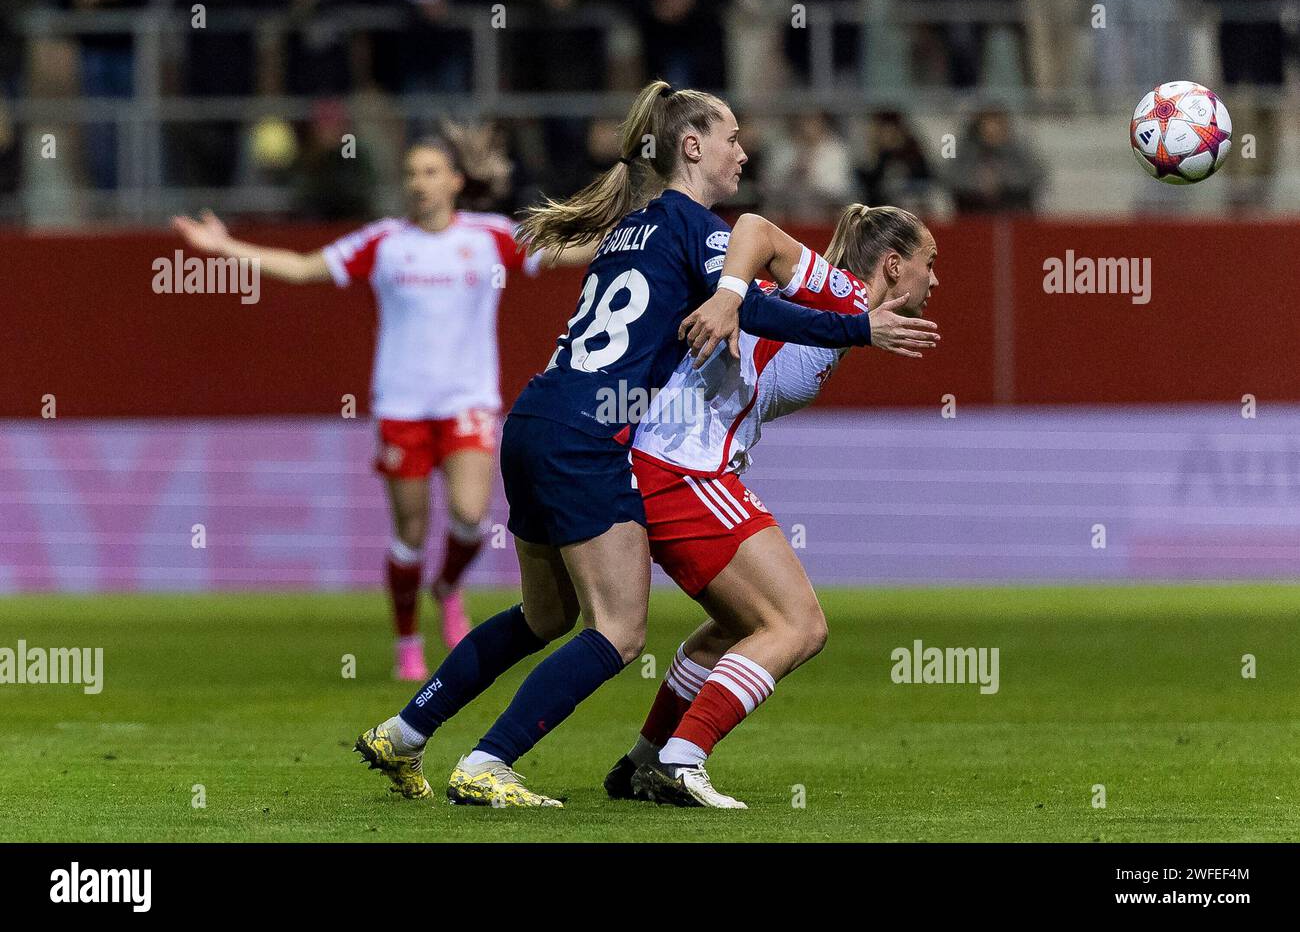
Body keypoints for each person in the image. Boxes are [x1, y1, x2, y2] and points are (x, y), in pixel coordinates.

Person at [353, 80, 939, 808]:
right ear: (692, 146)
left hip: (535, 416)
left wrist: (740, 301)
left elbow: (740, 296)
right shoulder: (701, 230)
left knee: (545, 617)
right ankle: (490, 762)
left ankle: (407, 729)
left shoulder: (636, 226)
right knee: (623, 631)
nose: (743, 151)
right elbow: (750, 270)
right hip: (594, 436)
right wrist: (847, 323)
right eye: (731, 138)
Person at [172, 137, 591, 680]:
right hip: (402, 406)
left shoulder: (489, 238)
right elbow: (302, 268)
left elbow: (567, 251)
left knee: (470, 516)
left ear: (455, 182)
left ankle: (446, 587)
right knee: (409, 532)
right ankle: (407, 643)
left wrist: (636, 228)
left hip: (467, 401)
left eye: (431, 171)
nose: (419, 182)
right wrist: (223, 248)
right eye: (412, 172)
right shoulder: (386, 242)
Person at [607, 204, 938, 807]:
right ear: (891, 265)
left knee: (740, 626)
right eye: (928, 263)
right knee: (800, 626)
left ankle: (646, 758)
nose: (935, 280)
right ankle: (683, 759)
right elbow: (754, 228)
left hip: (680, 463)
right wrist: (731, 294)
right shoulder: (838, 291)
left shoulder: (839, 315)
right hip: (684, 467)